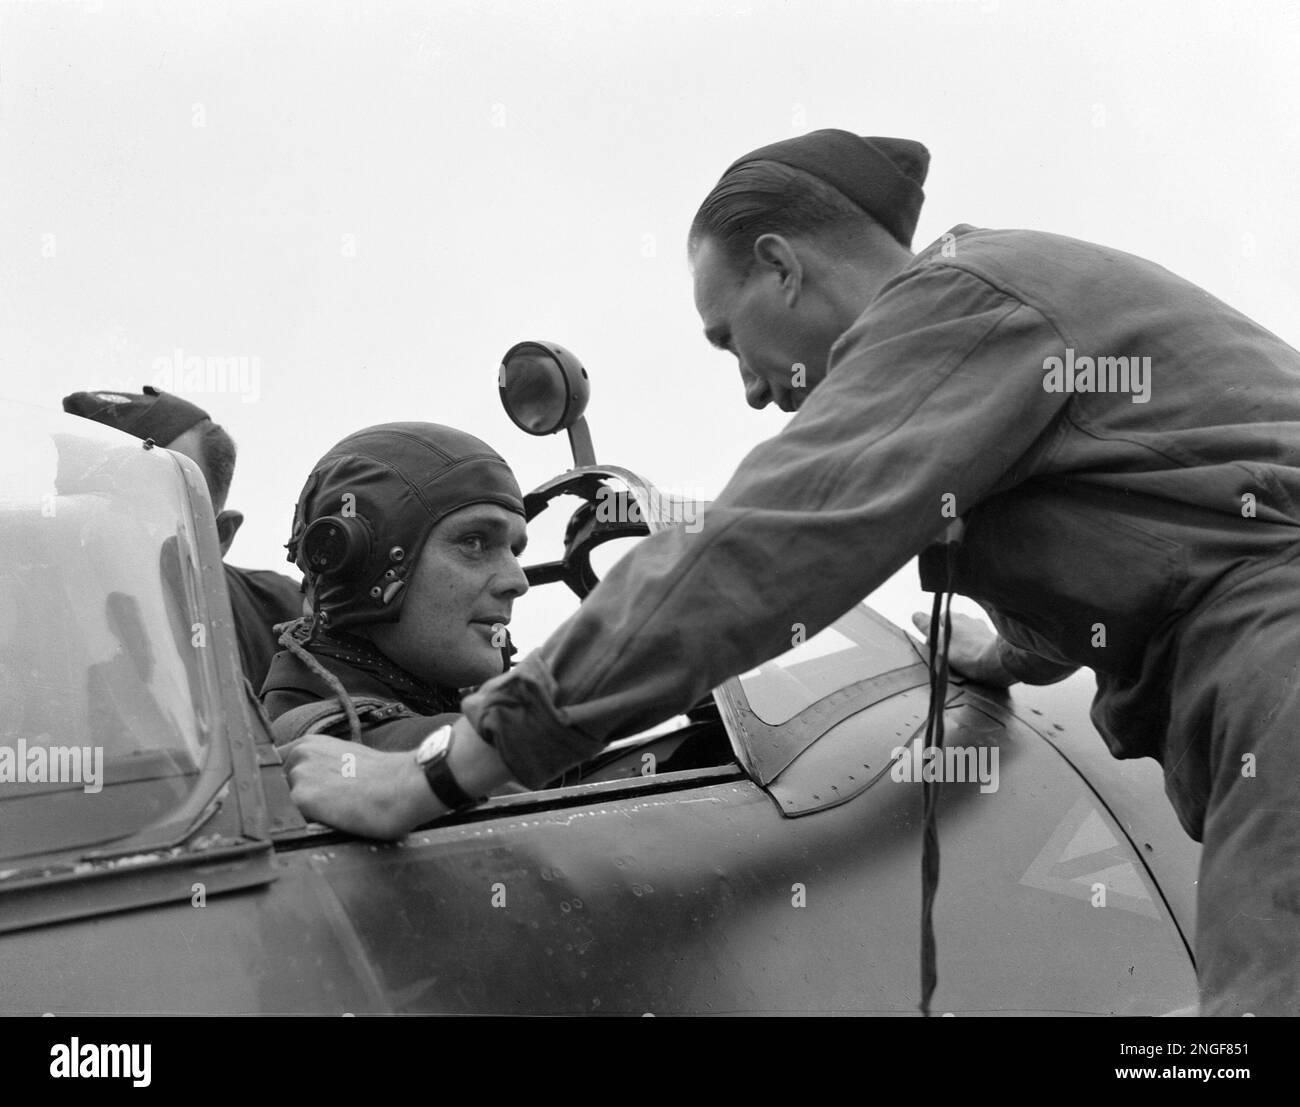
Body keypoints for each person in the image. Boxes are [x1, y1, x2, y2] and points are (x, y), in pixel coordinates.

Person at [283, 129, 1300, 1016]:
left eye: (729, 338)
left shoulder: (956, 305)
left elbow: (755, 553)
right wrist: (1008, 654)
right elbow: (1158, 521)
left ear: (781, 266)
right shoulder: (998, 319)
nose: (751, 391)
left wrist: (439, 774)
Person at [262, 422, 529, 755]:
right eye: (474, 542)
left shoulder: (436, 717)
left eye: (515, 551)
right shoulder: (338, 747)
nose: (517, 582)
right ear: (364, 563)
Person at [62, 386, 302, 690]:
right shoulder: (18, 609)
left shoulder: (286, 617)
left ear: (219, 537)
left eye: (148, 507)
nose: (112, 528)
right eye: (87, 501)